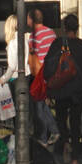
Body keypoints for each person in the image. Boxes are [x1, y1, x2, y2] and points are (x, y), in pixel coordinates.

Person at [42, 14, 82, 164]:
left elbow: (48, 67)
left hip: (62, 88)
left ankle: (65, 141)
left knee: (61, 117)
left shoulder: (57, 44)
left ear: (65, 28)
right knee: (76, 121)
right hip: (79, 90)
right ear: (77, 27)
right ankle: (75, 158)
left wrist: (48, 87)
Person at [26, 8, 60, 148]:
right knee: (44, 103)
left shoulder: (33, 36)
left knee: (38, 103)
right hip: (52, 72)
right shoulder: (51, 32)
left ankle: (44, 136)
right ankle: (54, 131)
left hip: (40, 73)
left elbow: (33, 57)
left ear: (32, 20)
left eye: (28, 18)